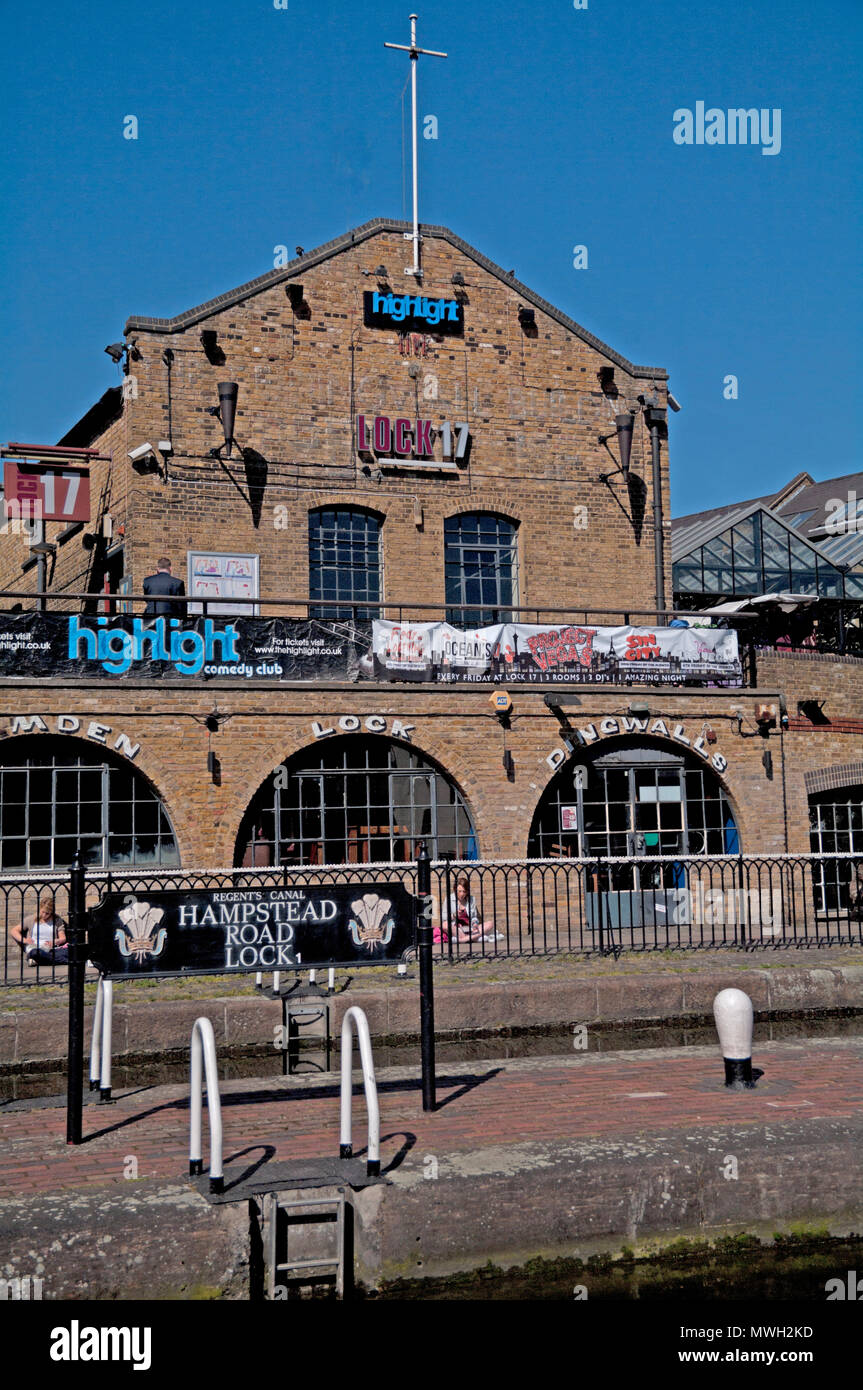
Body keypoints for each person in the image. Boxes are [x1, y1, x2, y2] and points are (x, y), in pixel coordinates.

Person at [436, 875, 499, 944]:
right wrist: (454, 915)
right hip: (457, 930)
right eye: (459, 891)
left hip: (470, 929)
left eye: (464, 891)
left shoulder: (471, 899)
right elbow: (444, 918)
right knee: (445, 925)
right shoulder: (449, 899)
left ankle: (462, 940)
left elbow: (474, 917)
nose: (462, 894)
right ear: (455, 889)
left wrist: (475, 923)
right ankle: (474, 938)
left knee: (490, 924)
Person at [11, 899, 68, 966]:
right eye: (42, 912)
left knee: (69, 950)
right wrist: (25, 940)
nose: (44, 915)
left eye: (47, 913)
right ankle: (65, 961)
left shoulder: (57, 920)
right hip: (36, 948)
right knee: (35, 952)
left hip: (50, 950)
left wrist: (55, 941)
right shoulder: (32, 919)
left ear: (51, 912)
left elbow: (63, 938)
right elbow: (13, 931)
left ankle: (39, 961)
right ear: (40, 909)